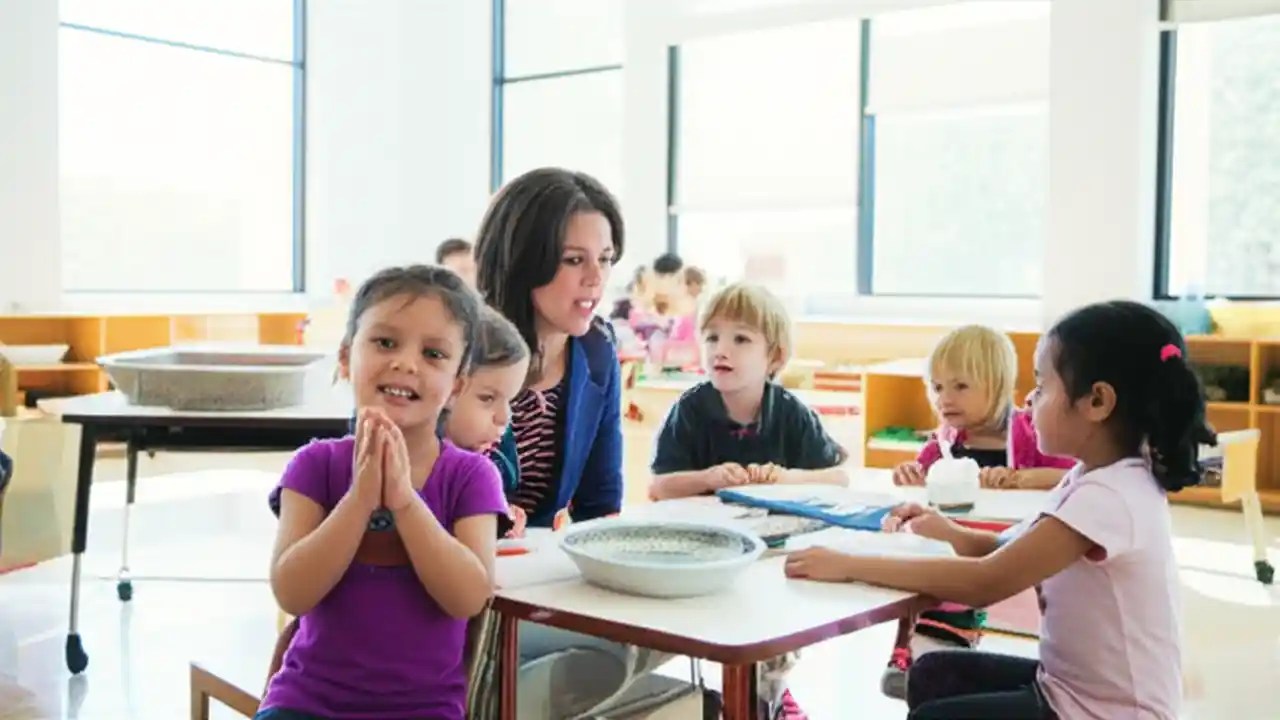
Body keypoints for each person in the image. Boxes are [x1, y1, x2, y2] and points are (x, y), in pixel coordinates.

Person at [785, 299, 1213, 720]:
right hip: (1068, 687)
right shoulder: (1091, 476)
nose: (1028, 401)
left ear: (1097, 402)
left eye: (1042, 387)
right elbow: (1006, 550)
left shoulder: (1112, 496)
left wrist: (848, 564)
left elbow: (986, 582)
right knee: (930, 675)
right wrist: (949, 532)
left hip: (1103, 712)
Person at [257, 265, 508, 720]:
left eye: (433, 353)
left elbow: (470, 597)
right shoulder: (315, 465)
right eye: (386, 342)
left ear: (457, 385)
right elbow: (292, 593)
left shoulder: (472, 476)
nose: (406, 363)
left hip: (423, 710)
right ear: (344, 357)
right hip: (307, 704)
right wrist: (358, 500)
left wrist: (406, 503)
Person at [649, 282, 848, 720]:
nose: (722, 349)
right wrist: (707, 477)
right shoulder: (691, 409)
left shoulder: (790, 412)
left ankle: (769, 694)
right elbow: (661, 485)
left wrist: (786, 478)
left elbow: (837, 478)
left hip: (775, 552)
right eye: (712, 337)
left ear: (773, 357)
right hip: (704, 551)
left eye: (740, 339)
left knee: (772, 622)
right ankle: (744, 698)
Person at [882, 325, 1075, 697]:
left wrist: (1022, 477)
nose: (945, 398)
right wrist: (911, 473)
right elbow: (925, 478)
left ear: (997, 384)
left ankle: (932, 649)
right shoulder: (945, 441)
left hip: (1011, 546)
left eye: (960, 386)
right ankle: (913, 652)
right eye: (937, 387)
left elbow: (1069, 476)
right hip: (952, 540)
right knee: (919, 570)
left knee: (952, 579)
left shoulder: (1031, 430)